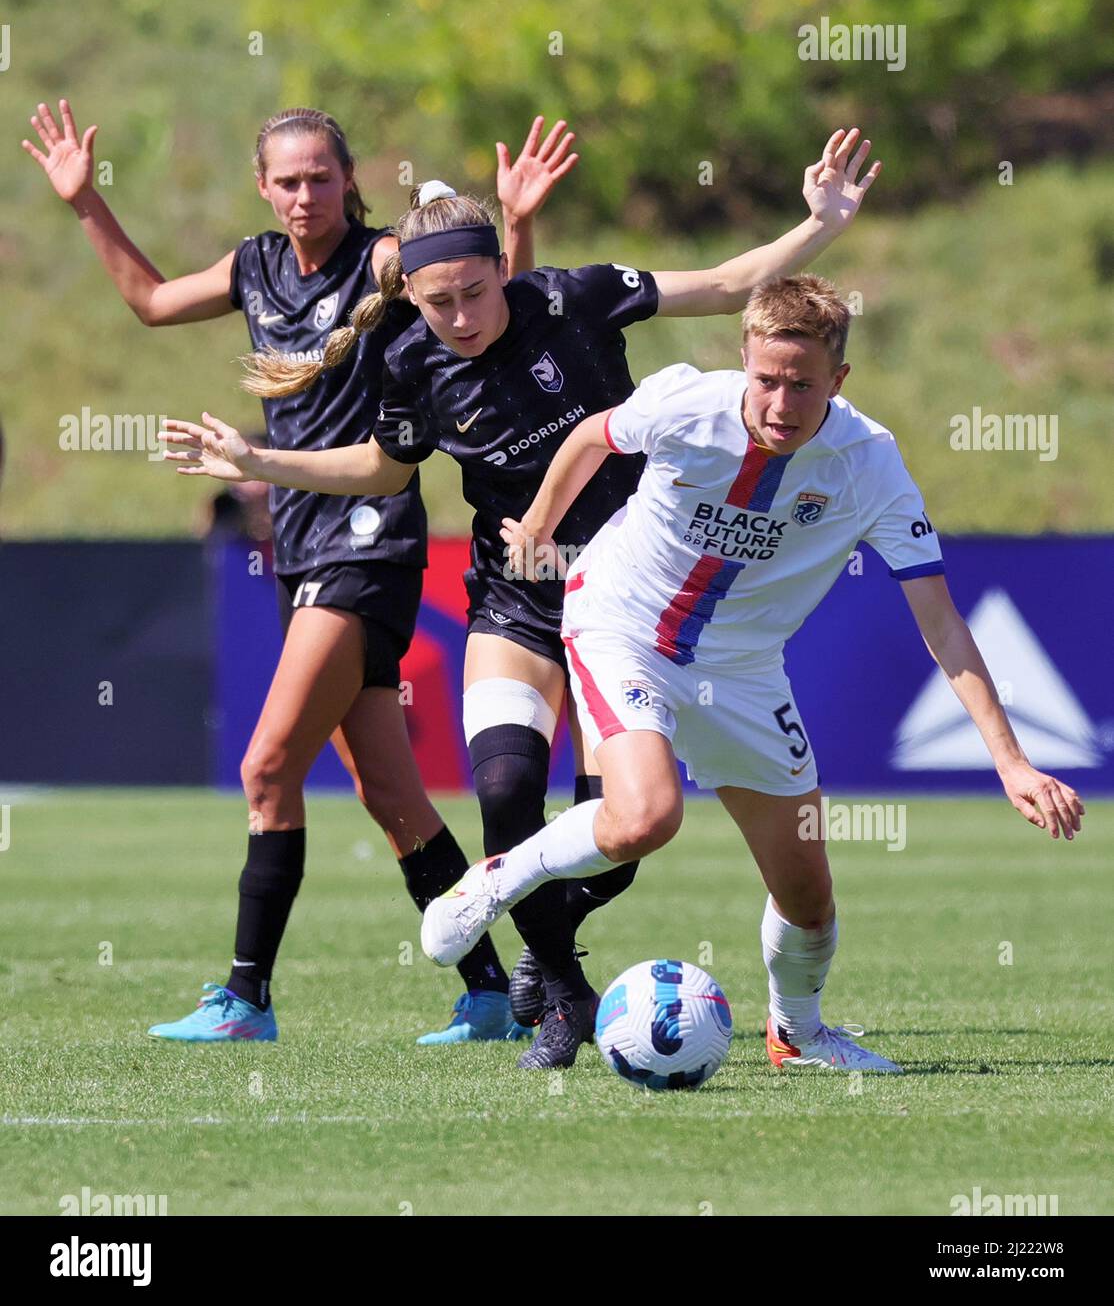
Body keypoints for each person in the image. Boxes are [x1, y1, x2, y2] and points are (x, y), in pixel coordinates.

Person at [160, 128, 882, 1067]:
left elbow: (724, 281)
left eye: (473, 291)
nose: (458, 316)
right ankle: (557, 997)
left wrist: (818, 226)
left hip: (625, 595)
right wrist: (263, 463)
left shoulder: (573, 299)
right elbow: (385, 469)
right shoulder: (412, 362)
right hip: (513, 598)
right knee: (503, 789)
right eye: (436, 302)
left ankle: (547, 948)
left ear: (504, 268)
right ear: (409, 298)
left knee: (619, 842)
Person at [420, 272, 1086, 1073]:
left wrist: (1010, 760)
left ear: (838, 381)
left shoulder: (869, 464)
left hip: (741, 671)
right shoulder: (687, 403)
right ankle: (494, 879)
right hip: (623, 625)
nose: (779, 401)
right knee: (645, 817)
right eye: (766, 379)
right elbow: (595, 433)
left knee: (808, 893)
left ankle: (798, 1035)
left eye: (802, 385)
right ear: (744, 359)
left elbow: (940, 619)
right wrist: (536, 526)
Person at [24, 99, 575, 1043]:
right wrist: (84, 201)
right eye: (288, 179)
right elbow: (153, 304)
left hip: (371, 540)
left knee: (266, 765)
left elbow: (488, 309)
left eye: (323, 176)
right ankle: (489, 990)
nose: (306, 193)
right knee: (389, 793)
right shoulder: (256, 267)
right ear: (262, 187)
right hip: (301, 547)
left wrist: (517, 225)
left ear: (349, 180)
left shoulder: (388, 262)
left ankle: (246, 998)